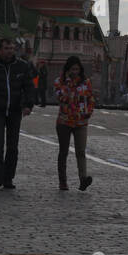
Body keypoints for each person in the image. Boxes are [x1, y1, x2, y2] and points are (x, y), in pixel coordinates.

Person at [0, 37, 35, 190]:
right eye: (6, 48)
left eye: (12, 48)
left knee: (12, 146)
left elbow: (29, 87)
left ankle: (8, 177)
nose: (10, 51)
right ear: (0, 50)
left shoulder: (22, 66)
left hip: (15, 110)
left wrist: (28, 105)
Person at [55, 55, 95, 191]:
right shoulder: (60, 82)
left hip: (81, 122)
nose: (75, 72)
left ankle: (83, 179)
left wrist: (89, 111)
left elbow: (91, 98)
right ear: (67, 69)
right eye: (72, 69)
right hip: (64, 121)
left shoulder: (86, 82)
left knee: (81, 151)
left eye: (77, 69)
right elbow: (61, 97)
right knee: (63, 151)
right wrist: (68, 83)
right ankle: (63, 181)